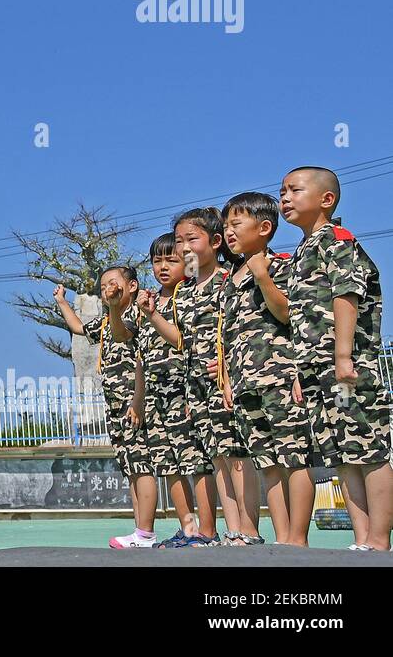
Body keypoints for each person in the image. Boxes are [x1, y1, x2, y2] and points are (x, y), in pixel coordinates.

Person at [280, 166, 390, 551]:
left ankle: (379, 540)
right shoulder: (302, 250)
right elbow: (302, 319)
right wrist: (300, 370)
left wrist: (343, 358)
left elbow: (347, 297)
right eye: (282, 192)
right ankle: (362, 540)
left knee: (369, 449)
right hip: (315, 368)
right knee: (343, 453)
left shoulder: (337, 240)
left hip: (346, 365)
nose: (285, 198)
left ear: (326, 199)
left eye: (294, 190)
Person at [221, 191, 314, 546]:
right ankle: (282, 536)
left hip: (279, 377)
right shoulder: (231, 278)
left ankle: (298, 539)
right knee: (268, 462)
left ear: (263, 227)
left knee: (293, 456)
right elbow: (228, 335)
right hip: (246, 383)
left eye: (236, 223)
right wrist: (227, 379)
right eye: (226, 225)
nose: (229, 231)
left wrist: (263, 277)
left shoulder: (280, 265)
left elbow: (290, 315)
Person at [55, 268, 154, 547]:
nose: (107, 289)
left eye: (114, 283)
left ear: (132, 286)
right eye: (103, 285)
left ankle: (146, 532)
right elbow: (78, 327)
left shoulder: (136, 313)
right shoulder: (106, 319)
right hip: (115, 405)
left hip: (135, 402)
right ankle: (139, 532)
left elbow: (123, 335)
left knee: (142, 465)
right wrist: (62, 301)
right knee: (131, 466)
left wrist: (138, 400)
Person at [134, 232, 212, 548]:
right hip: (156, 397)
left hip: (185, 392)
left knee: (196, 462)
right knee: (170, 466)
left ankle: (207, 530)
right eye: (157, 261)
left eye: (172, 259)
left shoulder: (189, 296)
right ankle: (188, 528)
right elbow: (136, 352)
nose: (163, 267)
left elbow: (185, 340)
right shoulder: (148, 301)